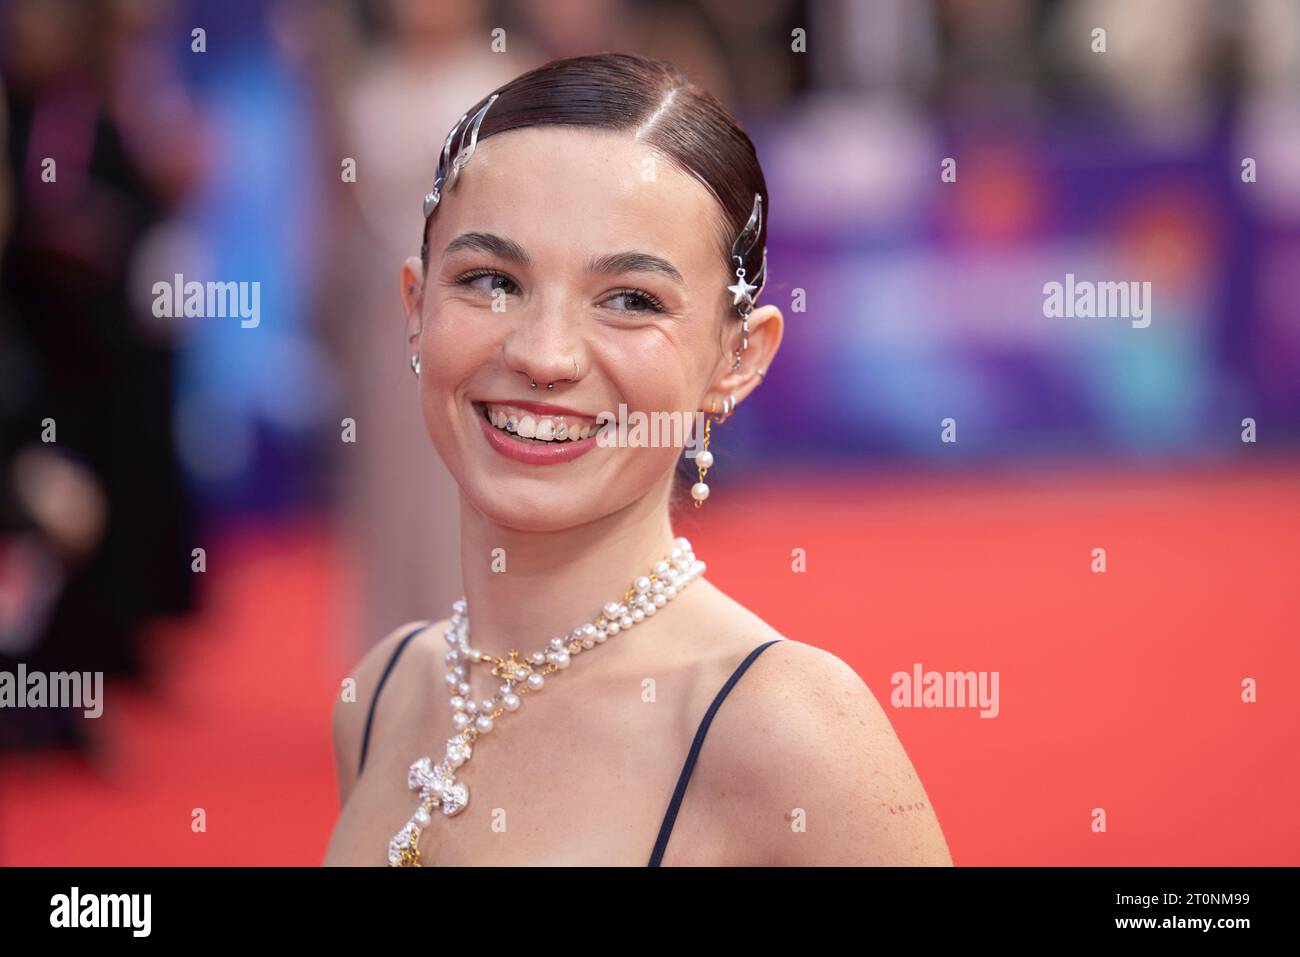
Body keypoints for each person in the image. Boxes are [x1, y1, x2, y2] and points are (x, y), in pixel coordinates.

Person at [324, 53, 951, 867]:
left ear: (737, 359)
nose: (545, 355)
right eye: (490, 280)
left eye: (630, 300)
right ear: (415, 308)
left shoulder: (786, 730)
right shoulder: (379, 696)